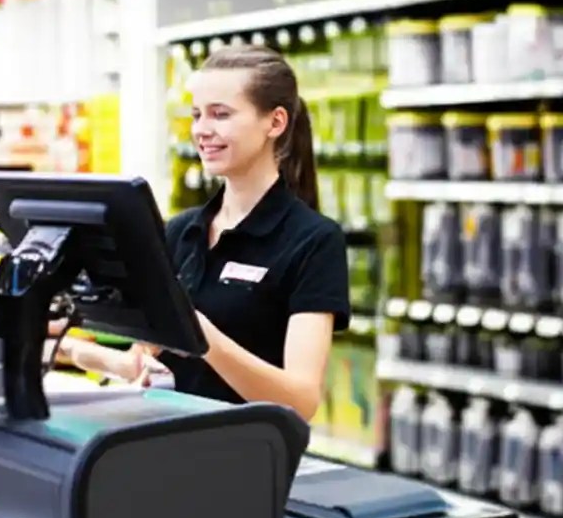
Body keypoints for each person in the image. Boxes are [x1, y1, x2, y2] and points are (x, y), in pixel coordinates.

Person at [56, 44, 350, 420]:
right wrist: (68, 348)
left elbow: (300, 400)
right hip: (167, 439)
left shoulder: (313, 240)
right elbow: (145, 364)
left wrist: (201, 336)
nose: (201, 130)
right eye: (197, 115)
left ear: (275, 123)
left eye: (220, 114)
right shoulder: (180, 232)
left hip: (244, 452)